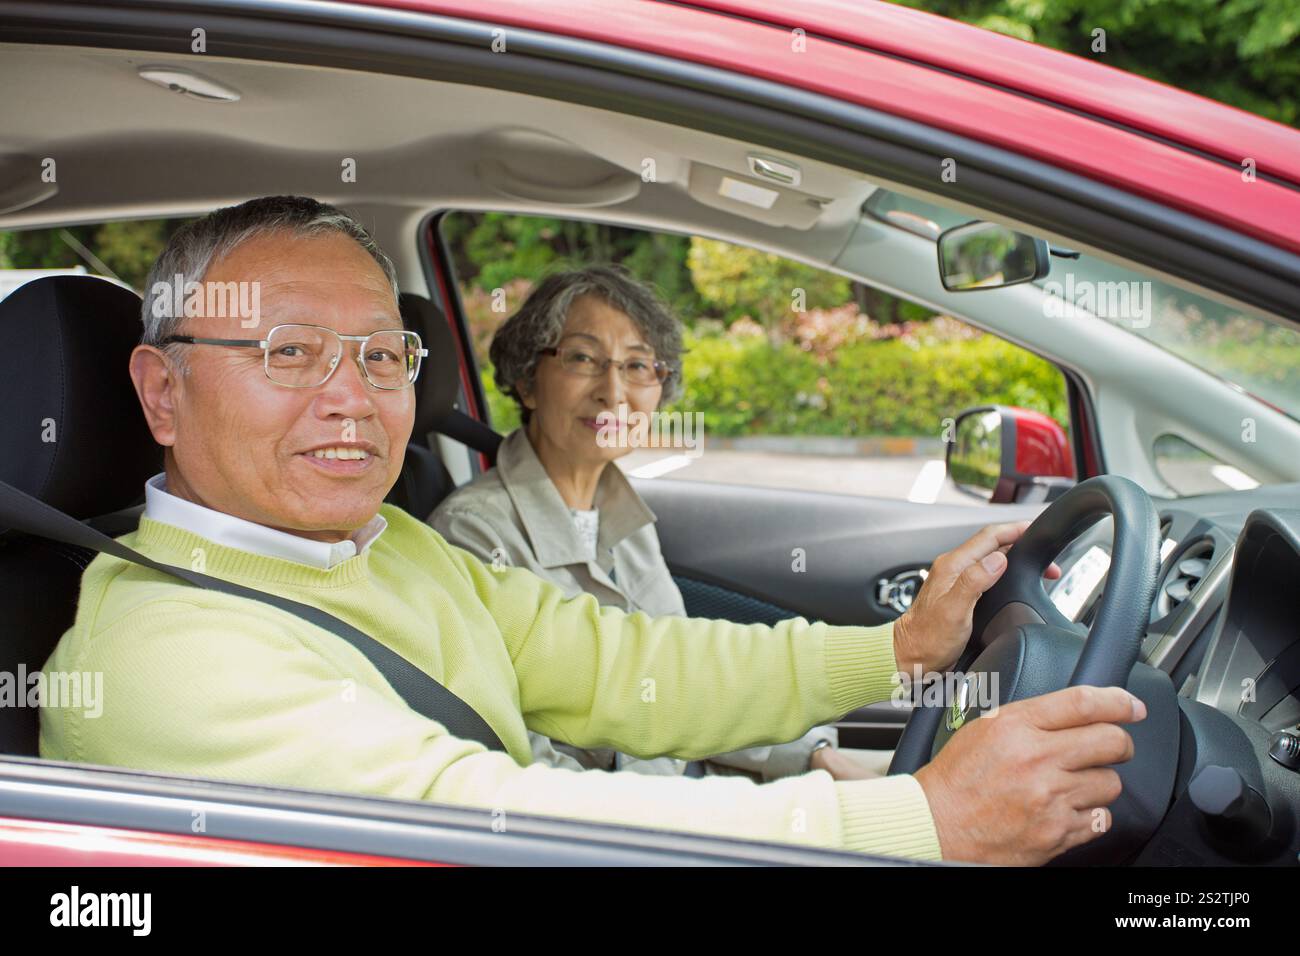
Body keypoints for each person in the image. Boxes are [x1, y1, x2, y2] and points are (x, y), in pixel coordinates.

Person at [40, 196, 1144, 865]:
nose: (351, 395)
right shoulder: (166, 652)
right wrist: (920, 819)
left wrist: (894, 652)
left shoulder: (383, 542)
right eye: (287, 351)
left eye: (381, 355)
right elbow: (499, 818)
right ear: (161, 392)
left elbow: (626, 660)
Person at [431, 265, 873, 781]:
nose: (614, 391)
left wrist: (814, 757)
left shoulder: (622, 516)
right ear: (528, 380)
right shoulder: (473, 537)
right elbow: (514, 761)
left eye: (638, 365)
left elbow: (685, 681)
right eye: (581, 358)